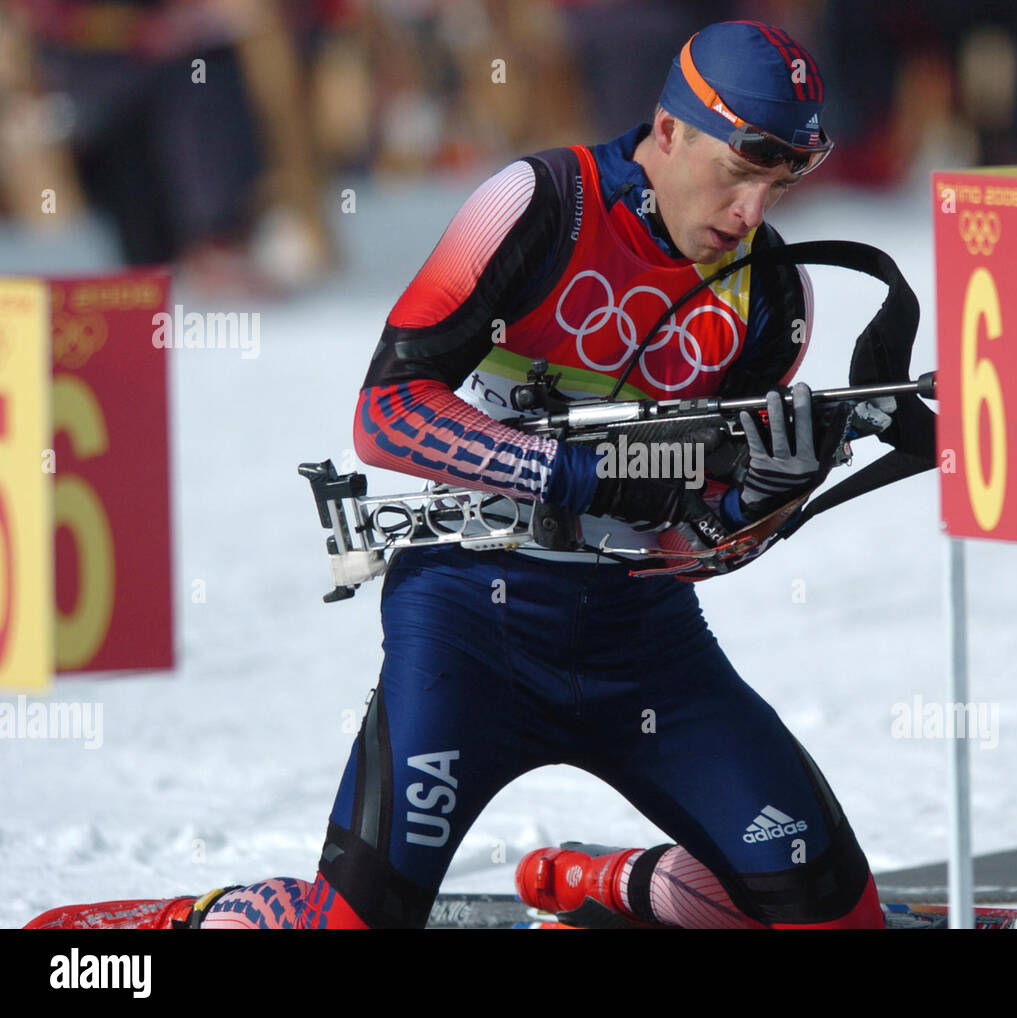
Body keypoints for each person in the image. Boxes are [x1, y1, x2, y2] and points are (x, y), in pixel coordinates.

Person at [26, 20, 887, 931]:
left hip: (646, 644)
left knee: (839, 921)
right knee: (354, 926)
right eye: (738, 169)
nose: (752, 210)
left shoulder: (774, 292)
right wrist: (566, 472)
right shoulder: (537, 203)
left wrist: (763, 499)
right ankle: (204, 918)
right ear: (669, 129)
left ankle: (622, 884)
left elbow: (694, 541)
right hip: (473, 626)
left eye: (780, 180)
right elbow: (385, 412)